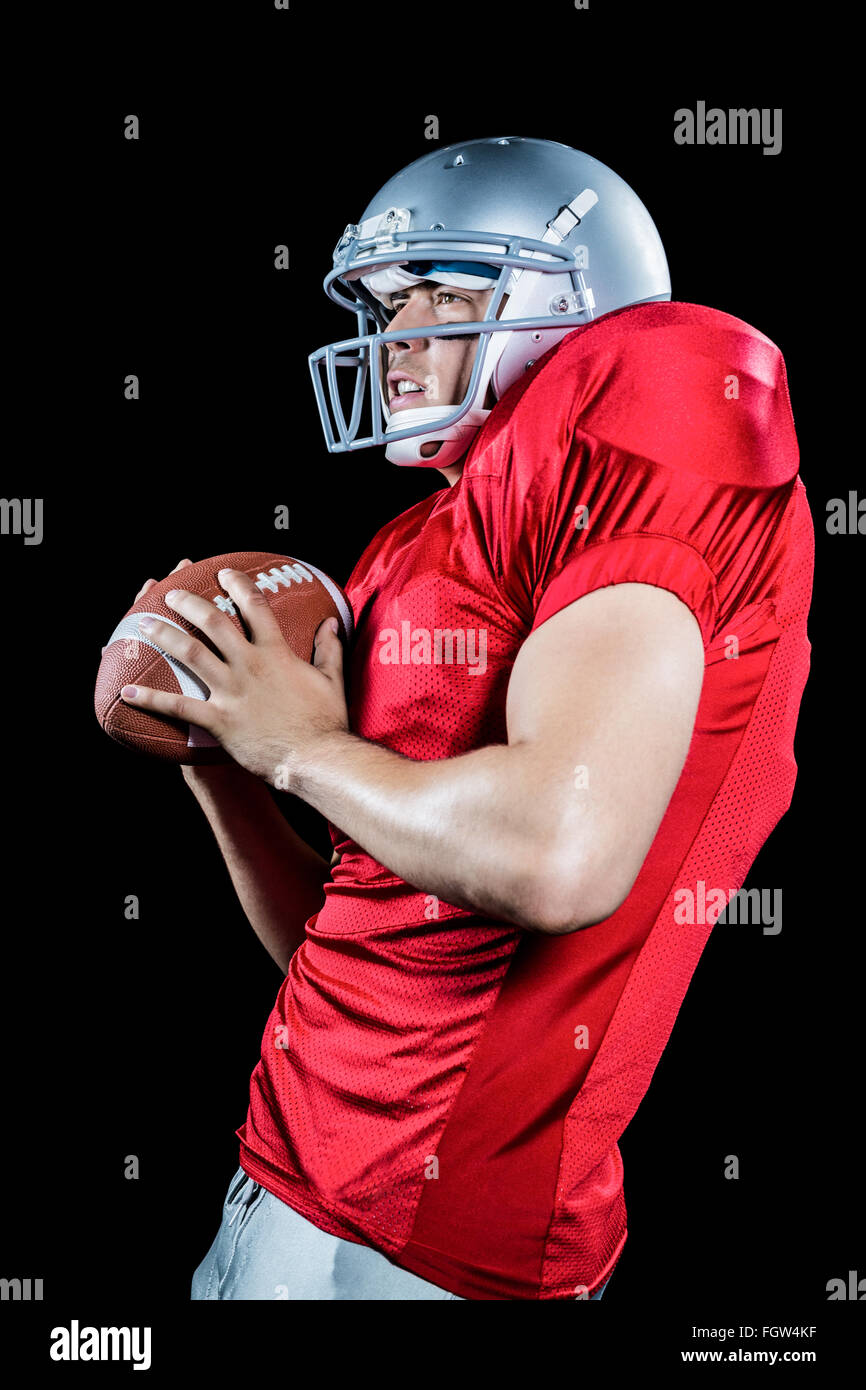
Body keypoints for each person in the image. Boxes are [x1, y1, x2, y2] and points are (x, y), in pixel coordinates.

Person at [127, 138, 813, 1300]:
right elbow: (348, 945)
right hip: (278, 1175)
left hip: (435, 1241)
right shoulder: (410, 547)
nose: (398, 337)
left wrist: (298, 744)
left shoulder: (652, 402)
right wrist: (228, 758)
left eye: (445, 293)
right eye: (388, 303)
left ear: (575, 302)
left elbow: (555, 857)